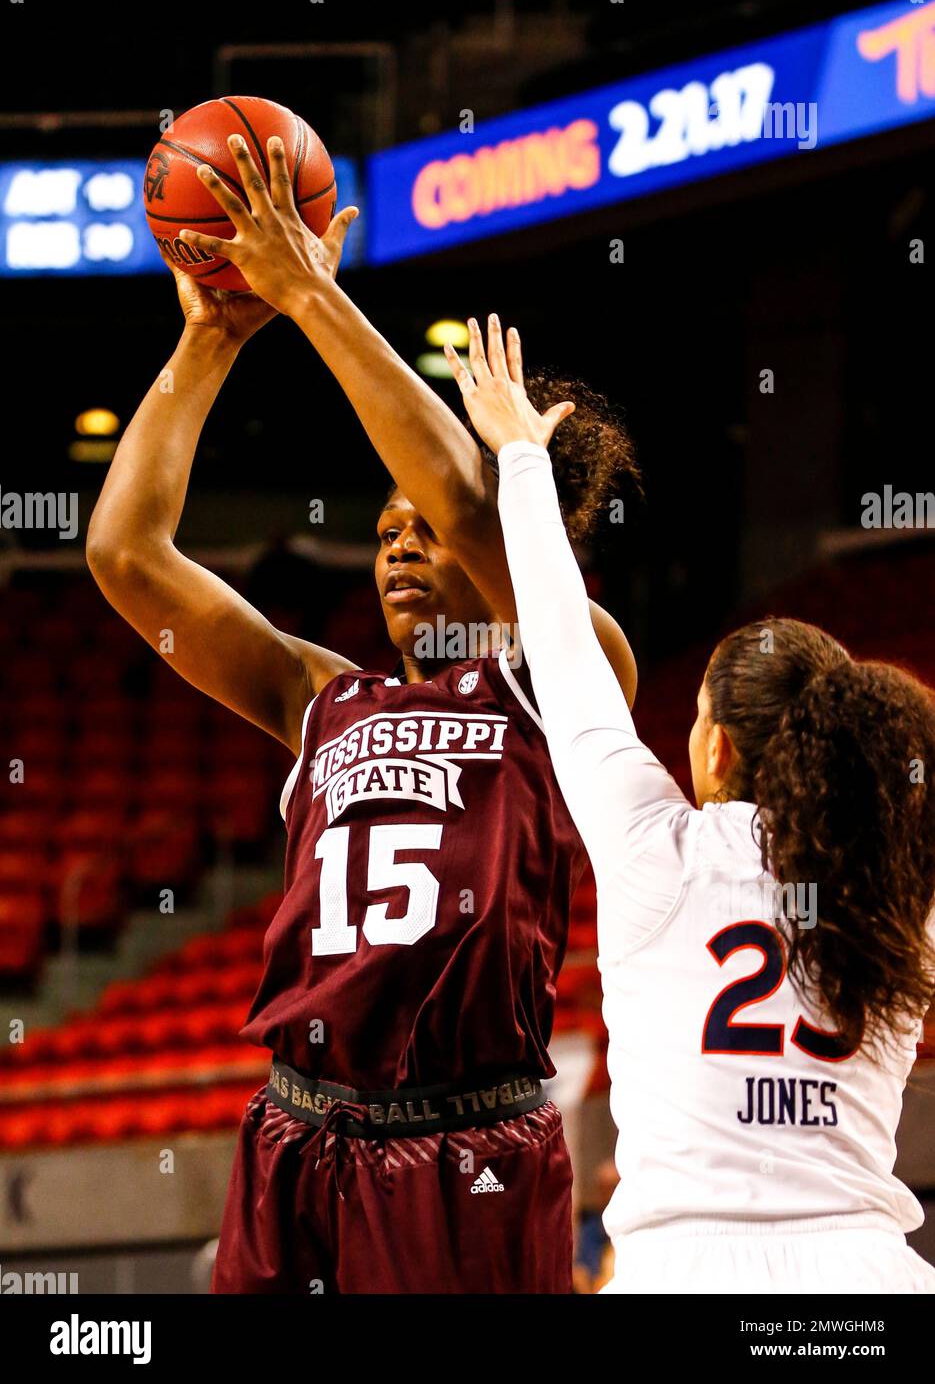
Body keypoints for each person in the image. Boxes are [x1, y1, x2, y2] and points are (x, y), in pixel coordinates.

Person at [86, 134, 639, 1294]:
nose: (398, 545)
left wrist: (311, 293)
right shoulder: (318, 698)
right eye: (382, 532)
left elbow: (466, 500)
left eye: (423, 530)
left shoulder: (563, 678)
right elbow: (127, 554)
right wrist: (205, 342)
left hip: (467, 1146)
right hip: (296, 1131)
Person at [445, 315, 935, 1294]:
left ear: (708, 744)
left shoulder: (654, 852)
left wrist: (520, 458)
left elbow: (562, 648)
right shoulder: (899, 881)